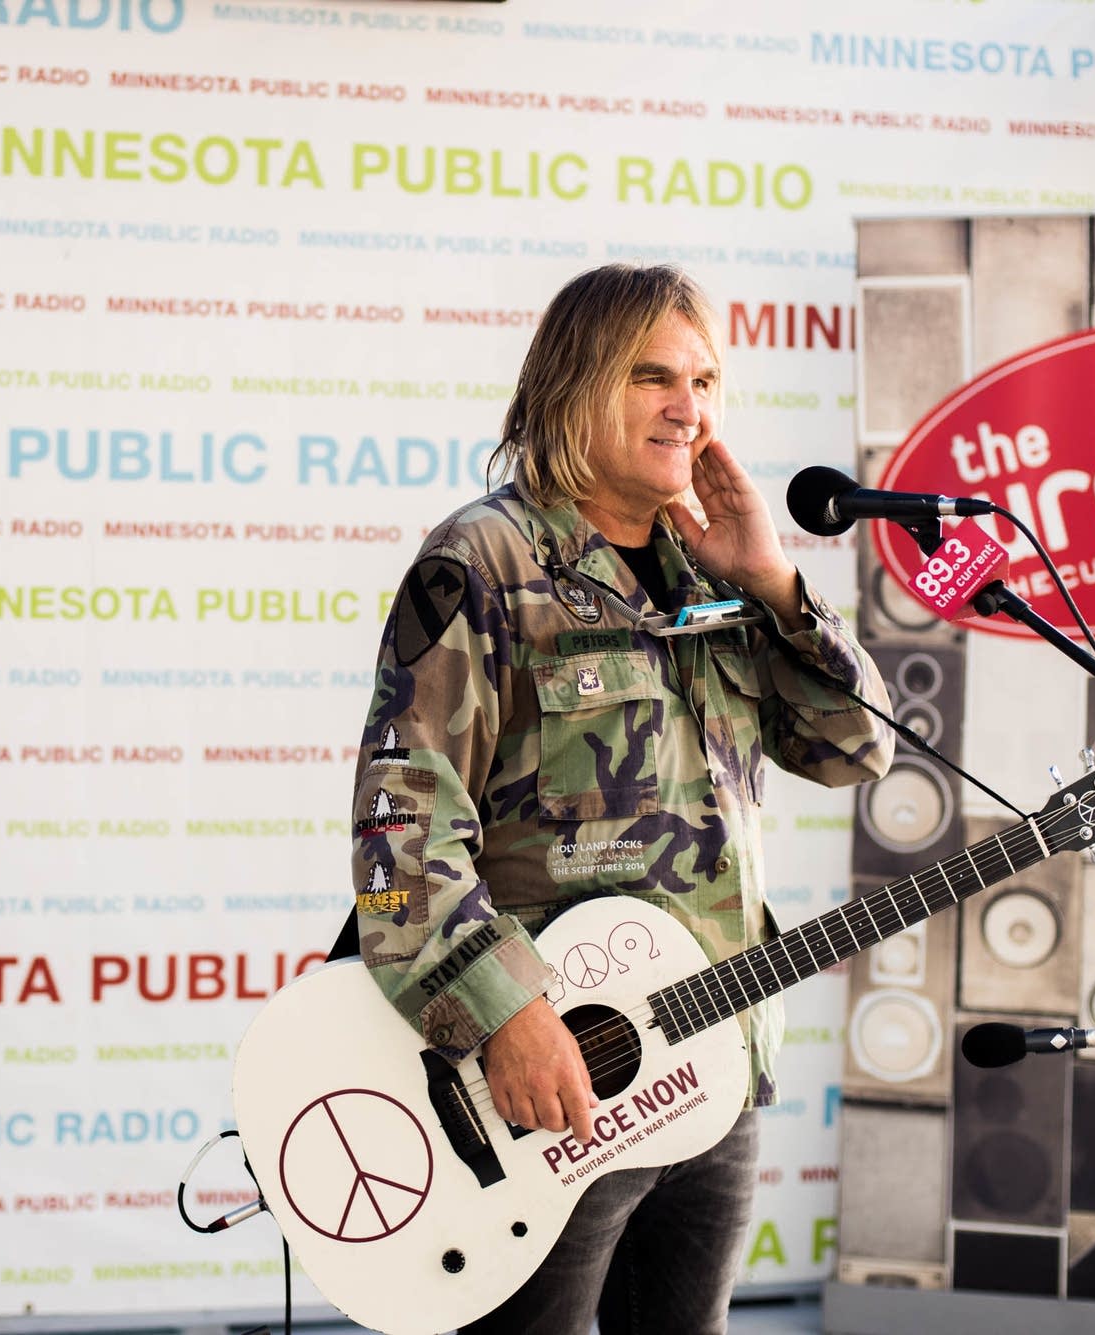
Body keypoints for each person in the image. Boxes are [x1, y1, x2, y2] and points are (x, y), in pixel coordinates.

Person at [347, 263, 894, 1334]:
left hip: (712, 1066)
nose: (686, 407)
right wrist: (504, 1015)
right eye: (651, 377)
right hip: (551, 1076)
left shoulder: (715, 576)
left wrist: (774, 585)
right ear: (572, 386)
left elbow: (851, 748)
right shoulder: (483, 560)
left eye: (701, 379)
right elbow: (400, 828)